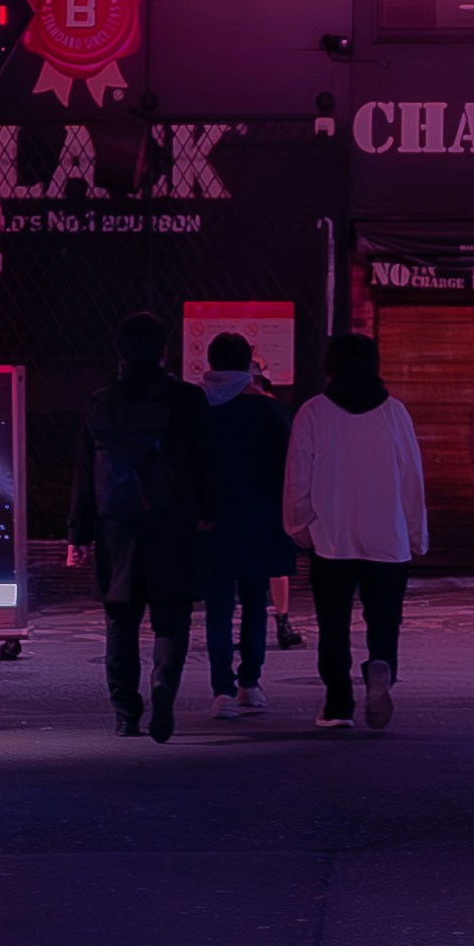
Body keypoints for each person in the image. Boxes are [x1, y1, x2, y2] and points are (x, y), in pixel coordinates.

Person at [284, 329, 427, 731]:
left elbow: (298, 476)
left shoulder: (314, 412)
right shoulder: (394, 412)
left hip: (332, 536)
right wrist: (414, 533)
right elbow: (411, 477)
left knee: (333, 623)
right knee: (385, 618)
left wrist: (298, 524)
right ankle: (381, 664)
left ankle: (338, 704)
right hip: (387, 535)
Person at [87, 316, 209, 741]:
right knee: (171, 616)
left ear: (120, 352)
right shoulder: (187, 399)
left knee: (120, 620)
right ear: (164, 351)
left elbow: (86, 470)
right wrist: (209, 509)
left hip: (116, 528)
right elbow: (203, 458)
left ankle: (125, 713)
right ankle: (163, 685)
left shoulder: (103, 401)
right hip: (172, 523)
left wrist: (77, 531)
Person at [194, 330, 294, 716]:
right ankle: (250, 684)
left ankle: (222, 690)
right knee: (255, 601)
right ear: (248, 364)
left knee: (218, 607)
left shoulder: (195, 407)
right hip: (258, 517)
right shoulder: (268, 410)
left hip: (210, 520)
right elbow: (285, 470)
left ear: (210, 362)